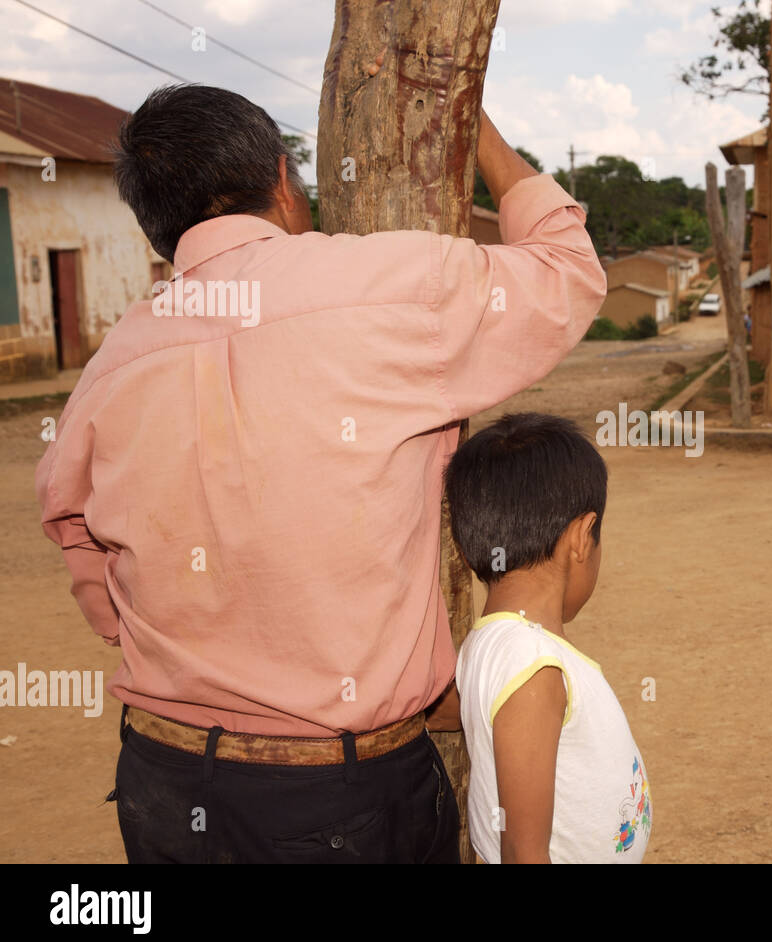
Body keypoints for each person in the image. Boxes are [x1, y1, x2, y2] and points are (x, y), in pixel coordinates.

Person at [34, 84, 605, 863]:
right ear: (281, 179)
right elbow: (567, 272)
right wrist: (485, 144)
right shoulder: (389, 285)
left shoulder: (109, 369)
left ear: (156, 223)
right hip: (338, 801)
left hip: (163, 785)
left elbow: (77, 536)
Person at [444, 414, 651, 863]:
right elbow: (523, 852)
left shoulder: (492, 644)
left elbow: (448, 712)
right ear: (581, 538)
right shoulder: (534, 668)